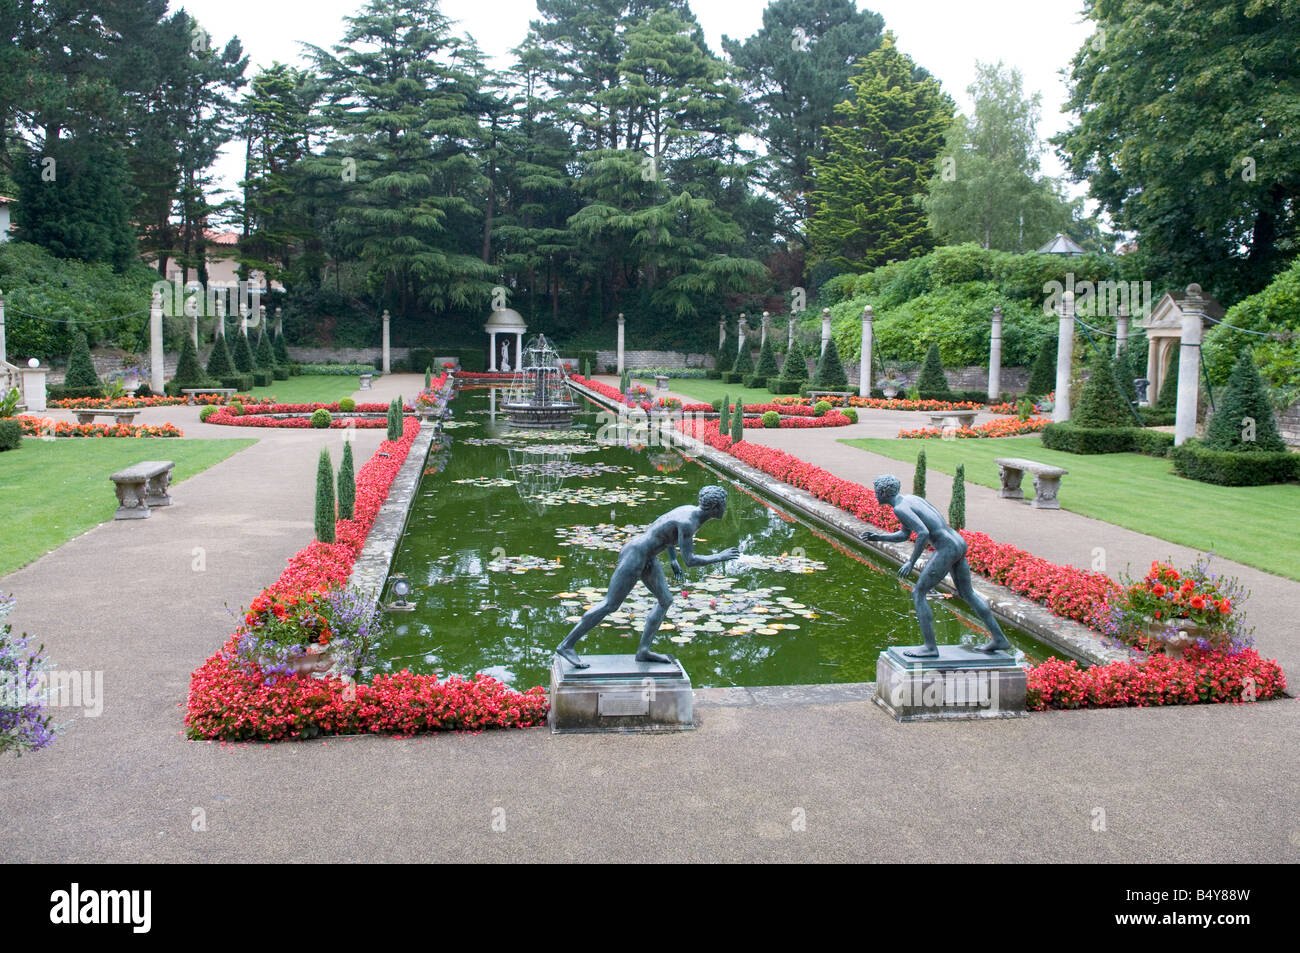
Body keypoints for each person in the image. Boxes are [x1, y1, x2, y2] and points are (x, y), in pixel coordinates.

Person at [556, 486, 739, 668]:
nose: (725, 508)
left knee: (665, 600)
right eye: (723, 504)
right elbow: (690, 560)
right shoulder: (689, 523)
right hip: (635, 554)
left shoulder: (689, 510)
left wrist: (673, 560)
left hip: (648, 556)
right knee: (610, 604)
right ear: (715, 507)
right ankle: (567, 645)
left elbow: (664, 532)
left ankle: (643, 651)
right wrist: (720, 556)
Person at [860, 474, 1011, 658]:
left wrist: (911, 561)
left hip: (947, 548)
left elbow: (922, 533)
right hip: (958, 543)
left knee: (918, 592)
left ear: (883, 492)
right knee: (967, 594)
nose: (875, 495)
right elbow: (904, 534)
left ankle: (930, 647)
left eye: (876, 491)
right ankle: (999, 638)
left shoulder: (900, 508)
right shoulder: (909, 499)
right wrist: (879, 537)